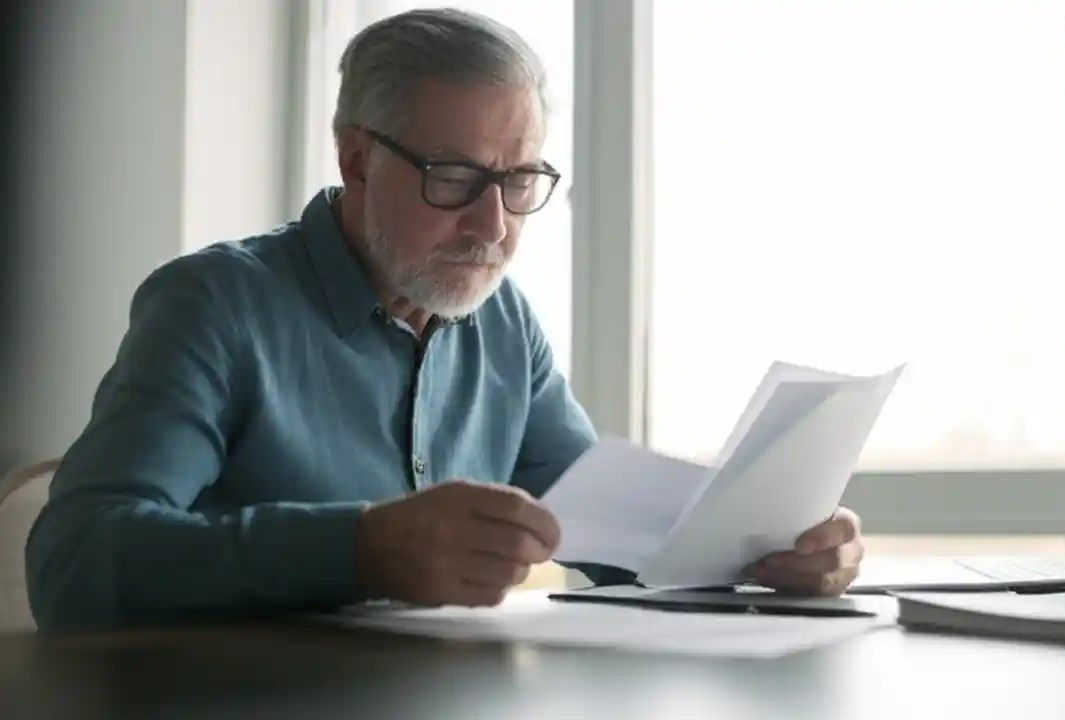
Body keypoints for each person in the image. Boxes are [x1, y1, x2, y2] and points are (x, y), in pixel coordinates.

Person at [25, 8, 864, 631]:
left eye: (520, 180)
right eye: (456, 177)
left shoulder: (504, 324)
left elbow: (618, 533)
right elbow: (74, 561)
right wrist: (360, 549)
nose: (493, 226)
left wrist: (768, 550)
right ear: (356, 158)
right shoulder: (213, 305)